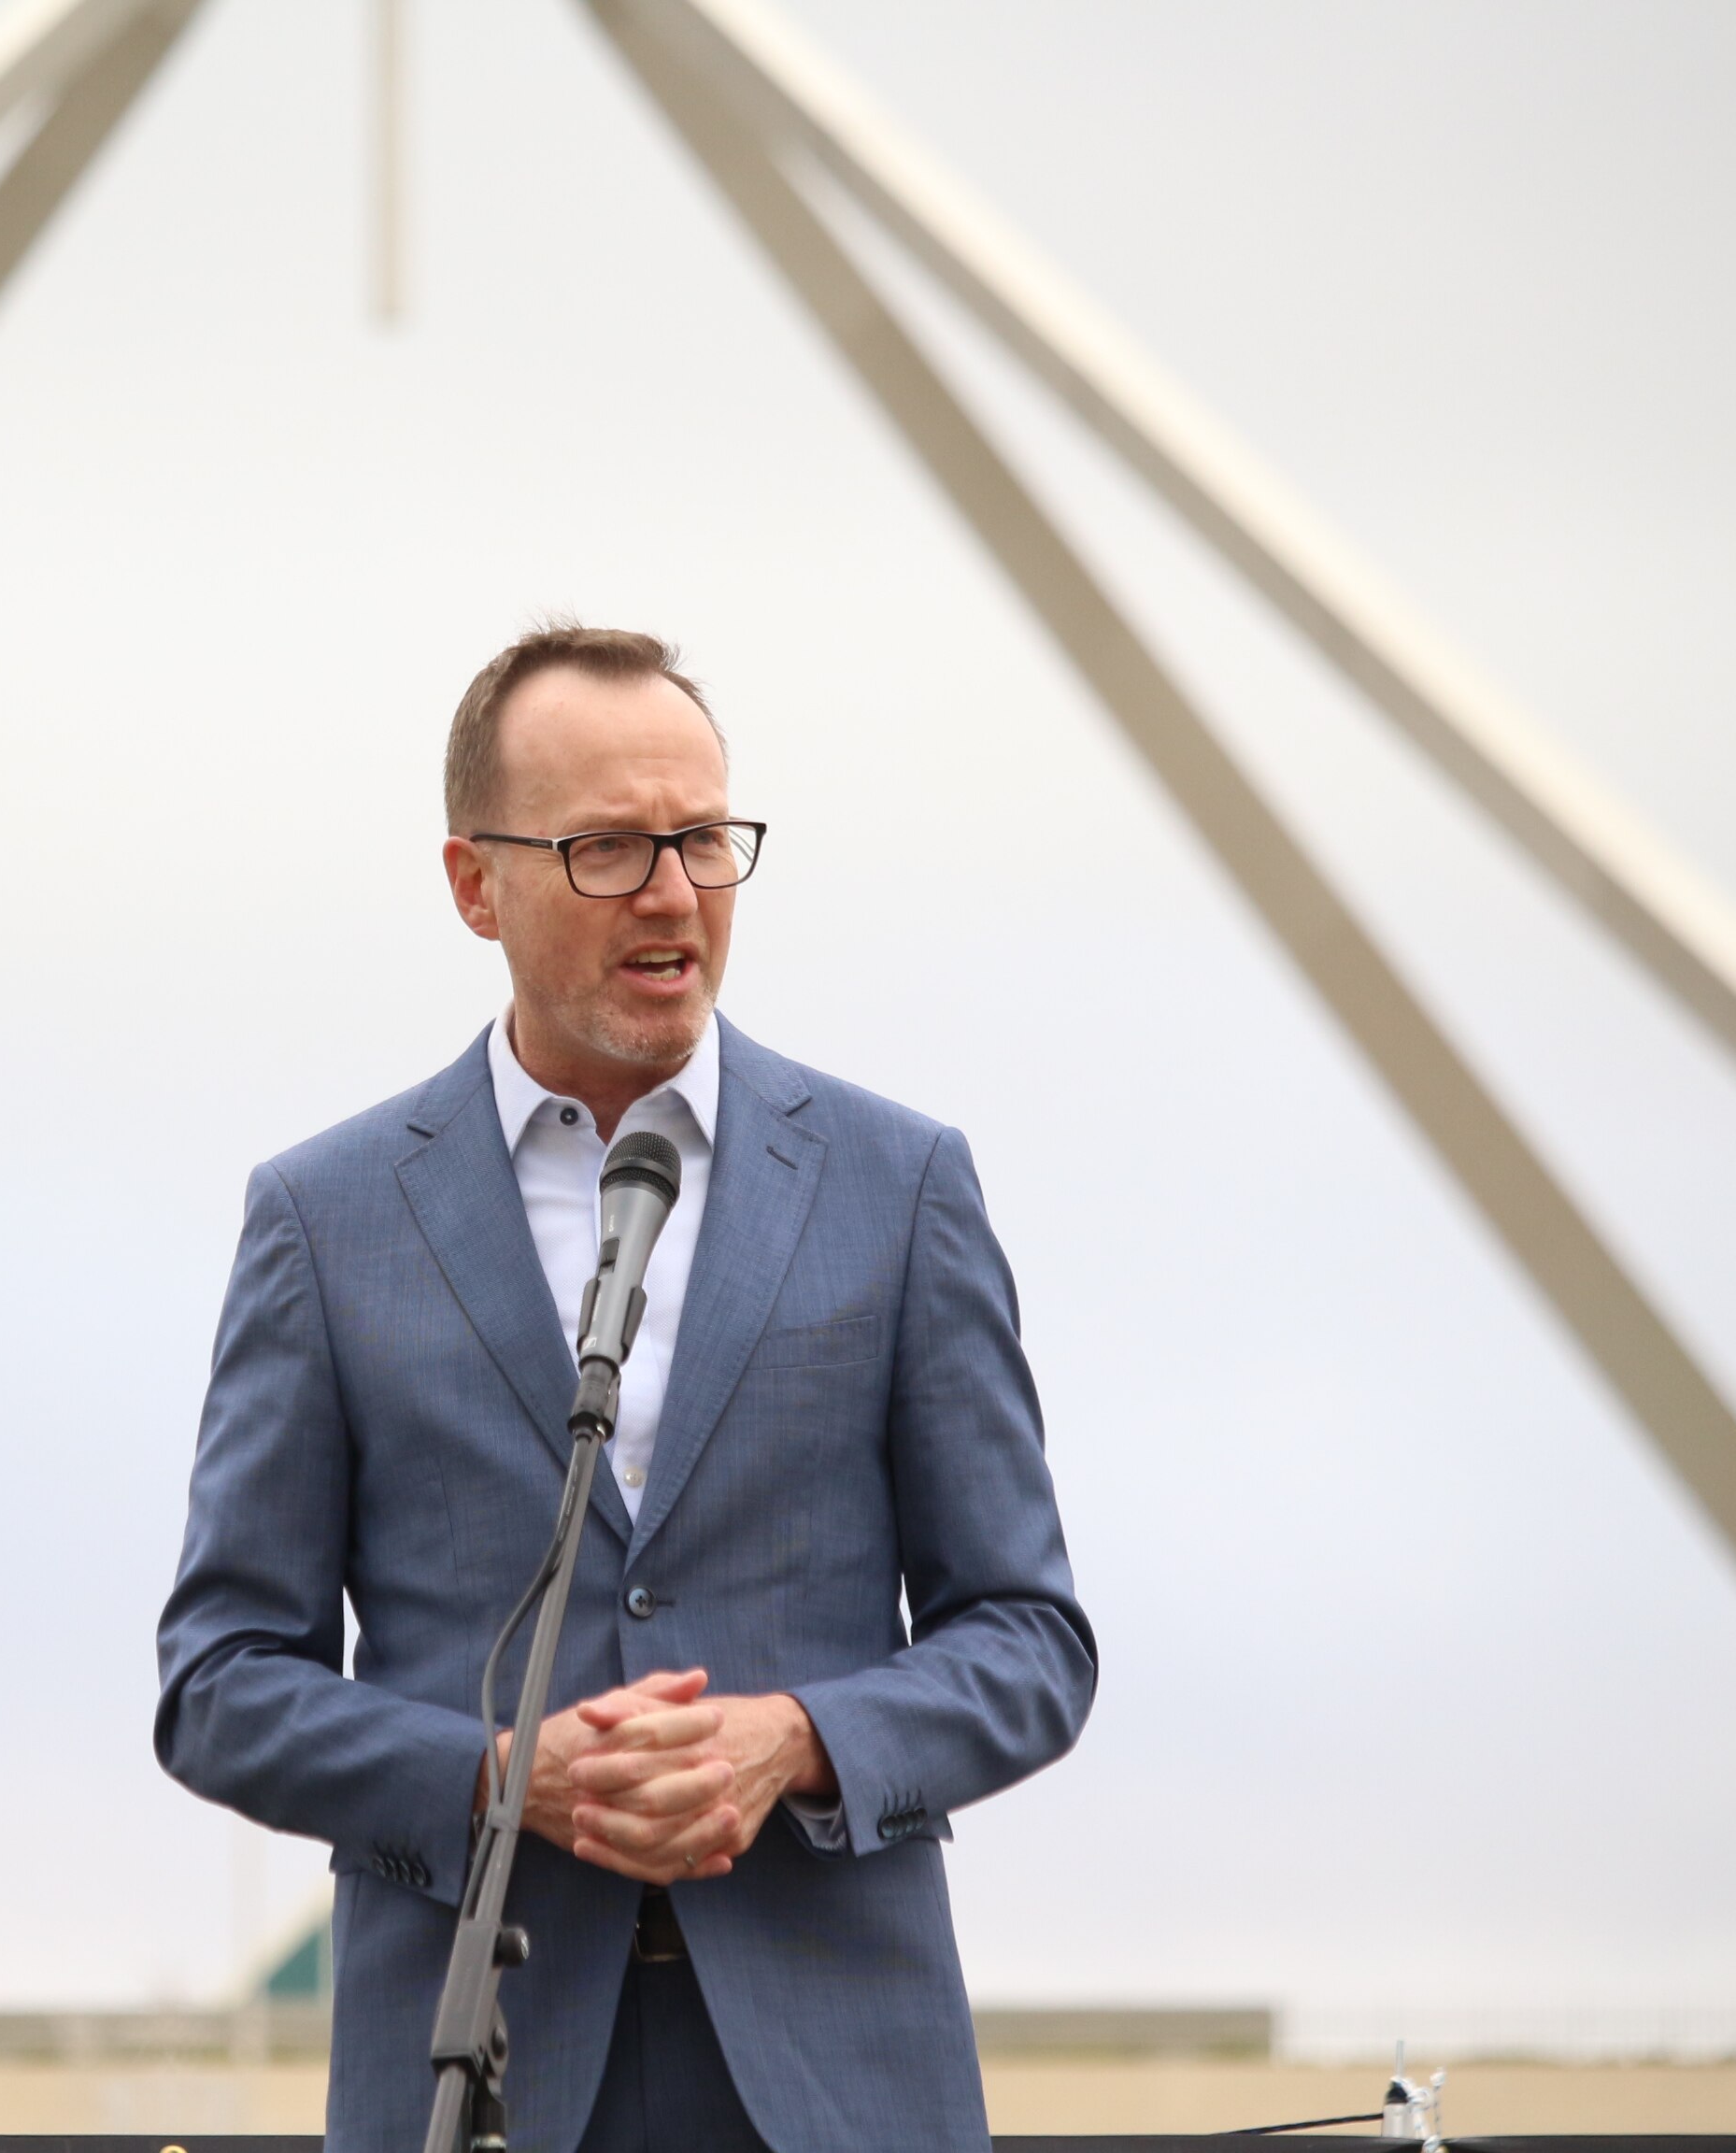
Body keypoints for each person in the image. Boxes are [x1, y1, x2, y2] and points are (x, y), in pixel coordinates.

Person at [154, 623, 1096, 2152]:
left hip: (839, 2089)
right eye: (607, 849)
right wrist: (492, 1777)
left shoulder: (900, 1183)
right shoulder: (324, 1222)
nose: (673, 894)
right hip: (475, 2085)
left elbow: (1033, 1640)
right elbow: (219, 1683)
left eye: (704, 840)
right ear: (476, 884)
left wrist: (792, 1738)